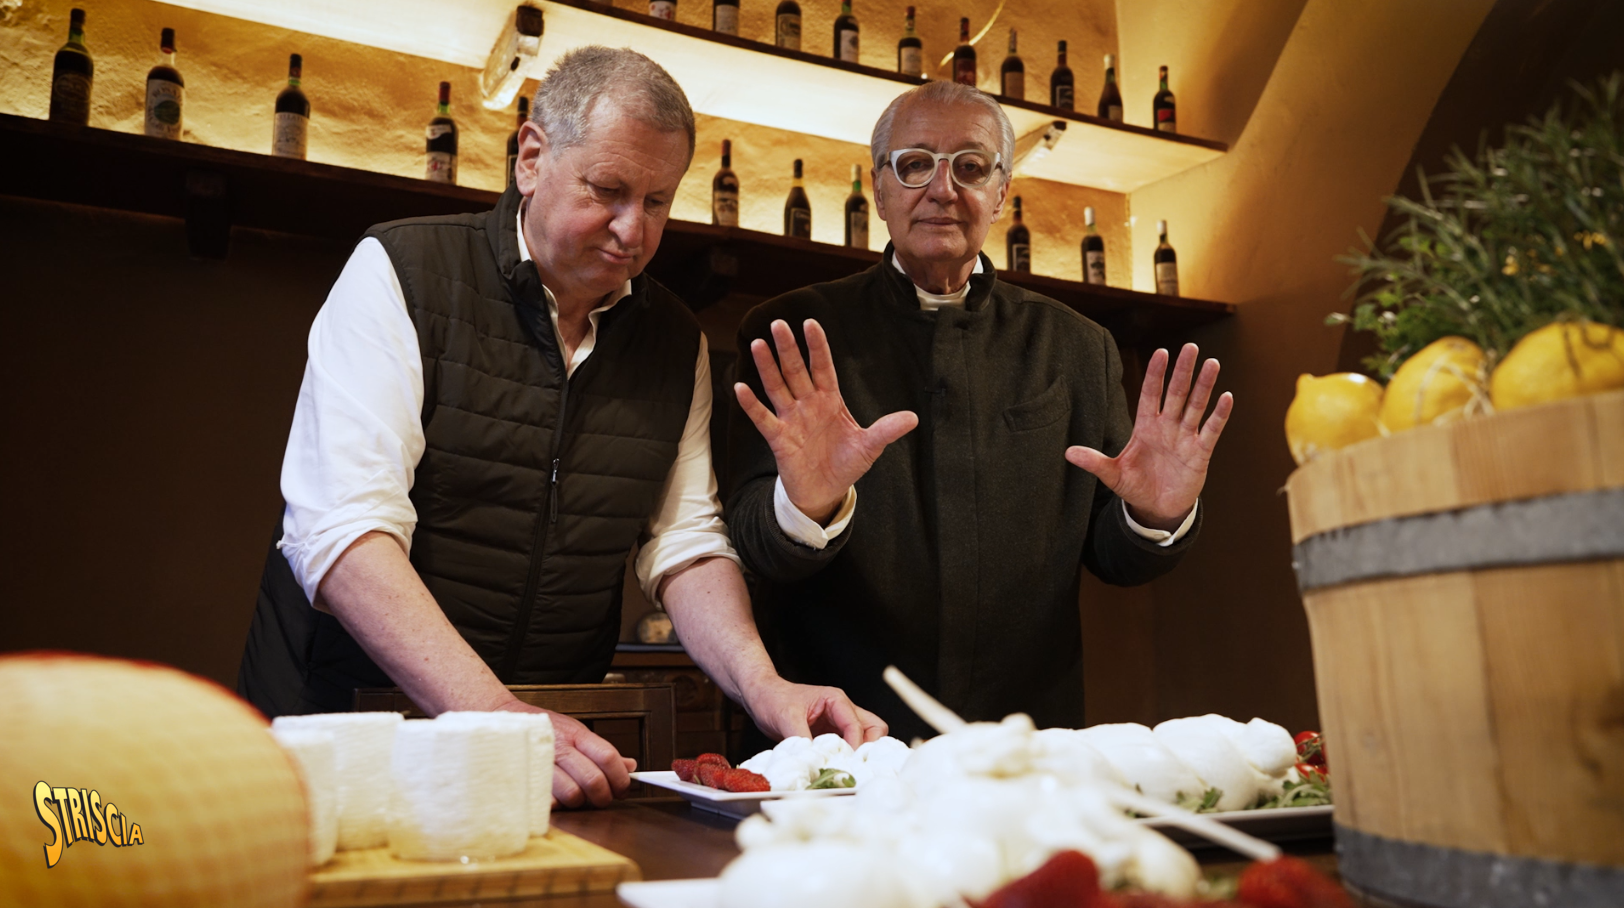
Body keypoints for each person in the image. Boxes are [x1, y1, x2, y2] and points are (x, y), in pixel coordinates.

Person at [238, 47, 885, 808]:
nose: (631, 230)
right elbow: (343, 532)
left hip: (544, 736)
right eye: (608, 190)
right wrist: (490, 711)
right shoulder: (400, 269)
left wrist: (763, 685)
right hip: (349, 716)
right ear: (533, 158)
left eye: (656, 201)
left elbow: (683, 543)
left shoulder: (673, 340)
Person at [725, 80, 1233, 742]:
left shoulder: (1079, 347)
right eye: (915, 164)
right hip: (837, 736)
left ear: (1002, 193)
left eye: (970, 167)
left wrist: (1155, 514)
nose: (942, 190)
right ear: (878, 189)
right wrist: (809, 506)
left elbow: (1116, 558)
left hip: (1021, 740)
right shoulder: (790, 332)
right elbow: (754, 547)